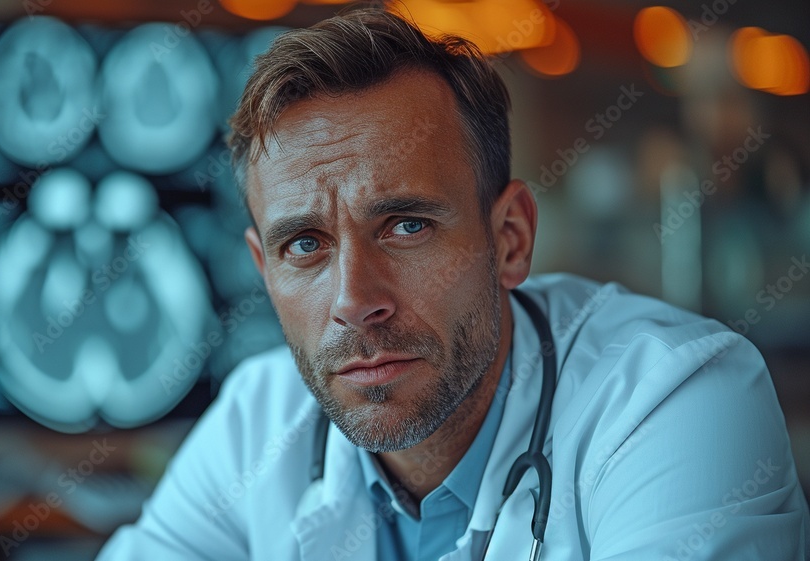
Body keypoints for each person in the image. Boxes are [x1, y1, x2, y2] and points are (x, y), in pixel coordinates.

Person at [96, 7, 810, 560]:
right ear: (265, 269)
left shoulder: (677, 402)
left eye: (405, 225)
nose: (353, 300)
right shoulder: (258, 422)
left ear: (510, 239)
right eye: (305, 244)